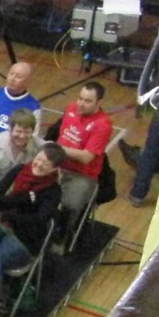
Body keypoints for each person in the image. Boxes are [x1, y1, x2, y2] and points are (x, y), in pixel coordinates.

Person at [0, 143, 63, 291]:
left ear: (54, 169)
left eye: (45, 164)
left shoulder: (53, 192)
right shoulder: (19, 170)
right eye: (39, 158)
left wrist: (8, 215)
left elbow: (39, 220)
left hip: (24, 237)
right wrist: (21, 199)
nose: (39, 164)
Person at [52, 80, 113, 240]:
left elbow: (86, 157)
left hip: (82, 175)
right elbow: (61, 137)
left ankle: (62, 238)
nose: (81, 104)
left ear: (99, 103)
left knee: (70, 204)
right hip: (57, 164)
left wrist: (57, 150)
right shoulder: (71, 108)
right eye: (80, 98)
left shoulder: (103, 125)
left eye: (87, 101)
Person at [0, 108, 40, 200]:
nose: (22, 136)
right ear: (10, 128)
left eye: (27, 132)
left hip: (23, 197)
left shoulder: (40, 148)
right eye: (18, 131)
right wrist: (2, 201)